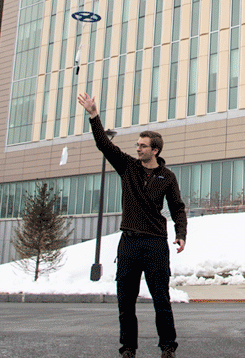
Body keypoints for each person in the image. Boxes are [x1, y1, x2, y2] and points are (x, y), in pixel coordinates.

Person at [79, 93, 188, 358]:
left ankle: (167, 347)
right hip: (128, 242)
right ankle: (128, 348)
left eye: (143, 145)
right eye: (137, 144)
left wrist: (181, 234)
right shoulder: (127, 167)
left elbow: (177, 208)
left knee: (161, 299)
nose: (138, 148)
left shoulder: (167, 177)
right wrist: (94, 115)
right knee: (125, 300)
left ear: (155, 150)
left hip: (154, 243)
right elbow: (104, 144)